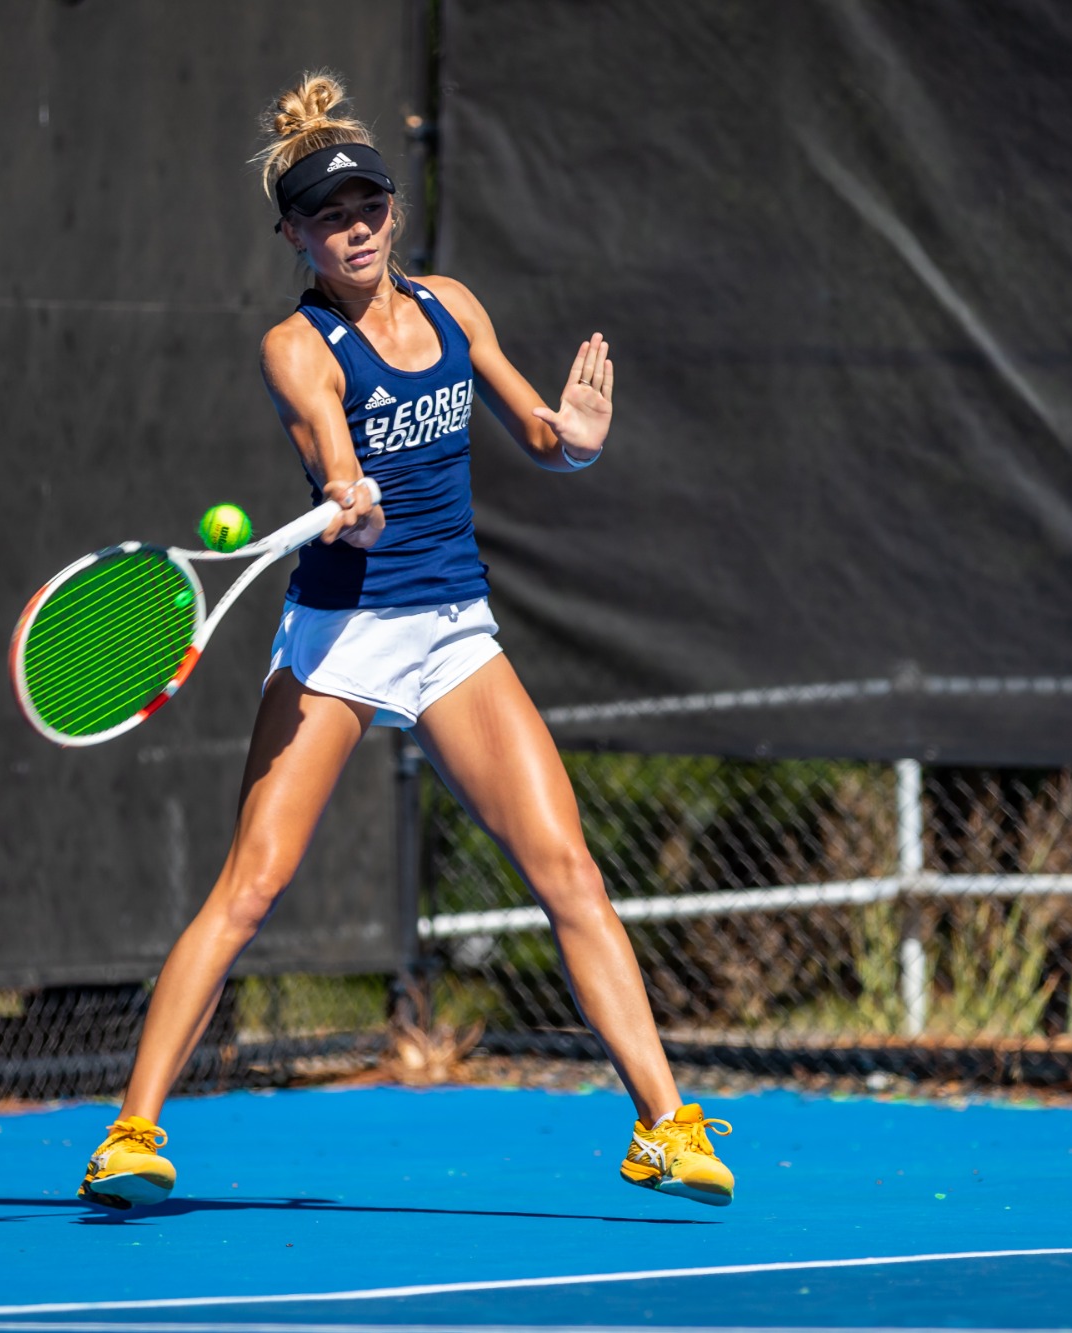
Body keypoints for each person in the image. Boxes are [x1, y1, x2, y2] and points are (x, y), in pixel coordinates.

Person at [77, 71, 734, 1210]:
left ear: (391, 207)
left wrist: (573, 438)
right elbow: (333, 451)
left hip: (451, 632)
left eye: (369, 204)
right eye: (329, 216)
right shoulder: (297, 345)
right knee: (251, 885)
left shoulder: (450, 307)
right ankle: (130, 1135)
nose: (357, 227)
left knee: (567, 870)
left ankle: (663, 1125)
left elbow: (536, 429)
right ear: (293, 235)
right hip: (339, 636)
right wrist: (347, 490)